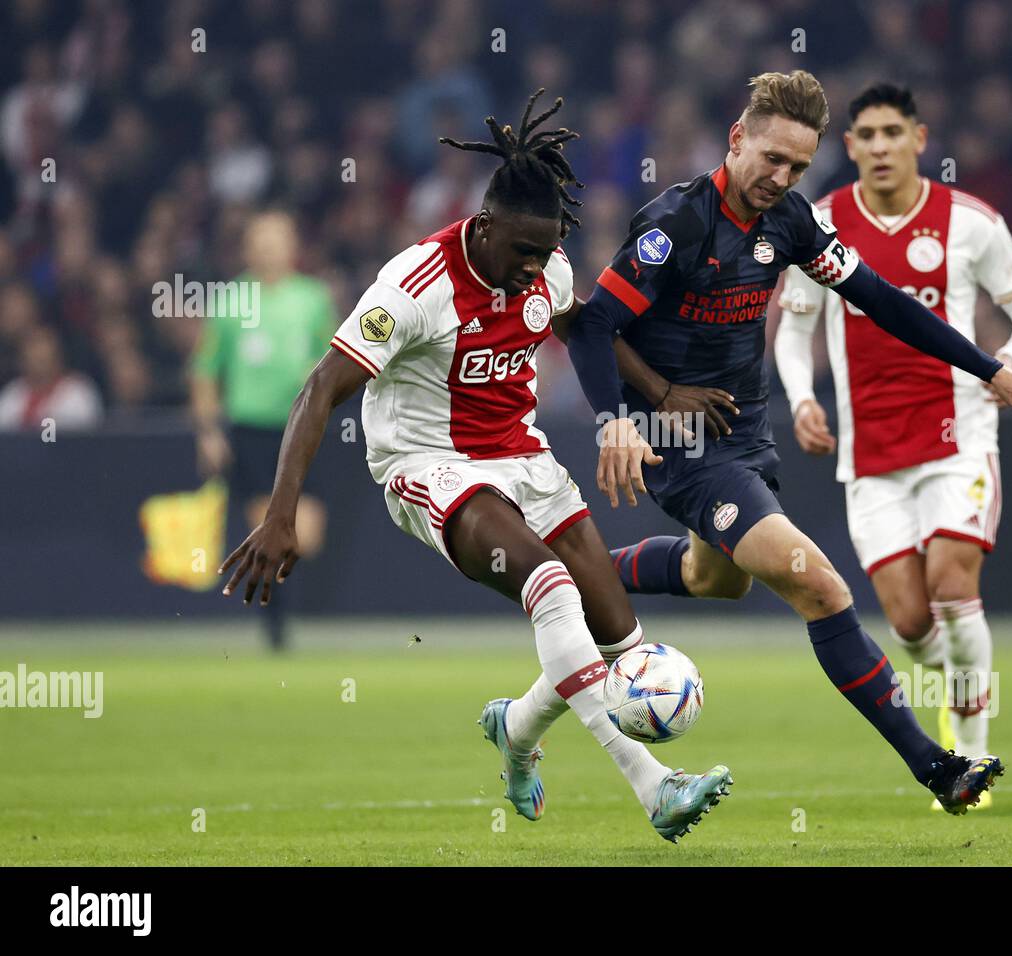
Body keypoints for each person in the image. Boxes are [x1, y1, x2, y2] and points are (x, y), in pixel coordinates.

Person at [216, 92, 731, 843]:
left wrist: (658, 391)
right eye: (521, 250)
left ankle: (516, 731)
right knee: (550, 588)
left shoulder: (546, 268)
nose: (534, 267)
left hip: (521, 454)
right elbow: (321, 386)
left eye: (545, 250)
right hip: (429, 465)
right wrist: (279, 513)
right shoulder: (414, 286)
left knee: (619, 637)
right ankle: (655, 788)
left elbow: (583, 328)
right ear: (483, 226)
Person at [566, 70, 1012, 814]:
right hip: (680, 441)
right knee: (822, 586)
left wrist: (993, 369)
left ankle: (572, 572)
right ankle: (938, 766)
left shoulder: (792, 224)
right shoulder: (675, 223)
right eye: (770, 158)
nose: (781, 177)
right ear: (736, 138)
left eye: (798, 167)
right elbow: (592, 324)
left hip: (743, 433)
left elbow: (881, 302)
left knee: (719, 580)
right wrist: (619, 417)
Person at [776, 84, 1012, 809]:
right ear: (850, 147)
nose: (877, 147)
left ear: (919, 138)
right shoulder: (823, 222)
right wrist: (803, 398)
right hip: (868, 454)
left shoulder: (969, 222)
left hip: (958, 439)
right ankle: (957, 689)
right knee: (908, 621)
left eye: (891, 133)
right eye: (864, 135)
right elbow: (794, 328)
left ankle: (972, 757)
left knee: (954, 589)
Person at [190, 211, 335, 650]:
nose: (269, 248)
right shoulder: (231, 299)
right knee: (268, 528)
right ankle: (276, 629)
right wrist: (209, 431)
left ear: (293, 246)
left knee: (306, 534)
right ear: (248, 247)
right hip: (251, 430)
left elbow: (336, 360)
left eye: (278, 239)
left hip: (303, 427)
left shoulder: (313, 299)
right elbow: (204, 371)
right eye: (261, 240)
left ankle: (283, 610)